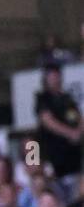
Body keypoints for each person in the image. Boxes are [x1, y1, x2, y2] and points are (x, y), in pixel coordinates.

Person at [34, 63, 81, 192]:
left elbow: (78, 117)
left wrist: (78, 131)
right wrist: (70, 133)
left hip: (73, 157)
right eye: (52, 76)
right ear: (46, 79)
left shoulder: (67, 98)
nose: (55, 79)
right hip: (54, 156)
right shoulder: (42, 98)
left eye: (57, 76)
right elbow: (48, 121)